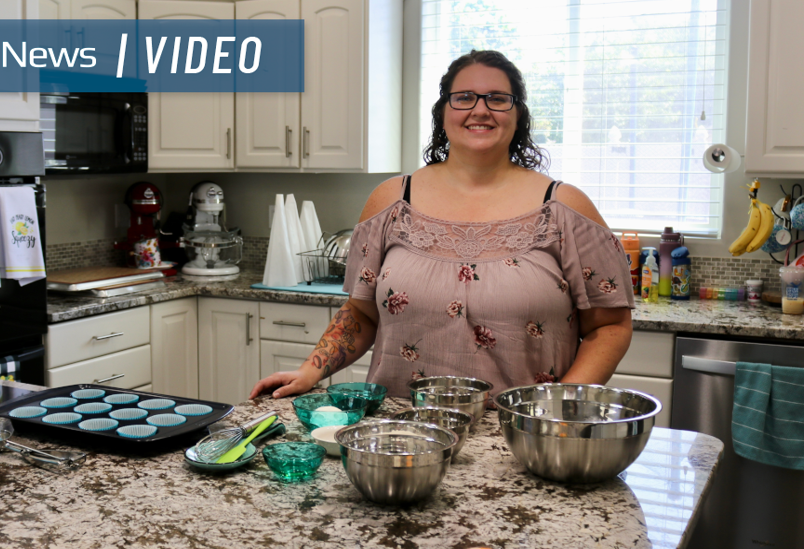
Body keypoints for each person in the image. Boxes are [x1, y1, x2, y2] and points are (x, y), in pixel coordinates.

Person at [249, 50, 634, 401]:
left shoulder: (565, 208)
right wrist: (309, 370)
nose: (480, 110)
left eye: (498, 99)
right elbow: (362, 313)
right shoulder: (391, 202)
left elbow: (611, 326)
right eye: (464, 97)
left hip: (522, 437)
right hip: (401, 437)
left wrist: (560, 405)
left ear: (518, 116)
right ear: (443, 112)